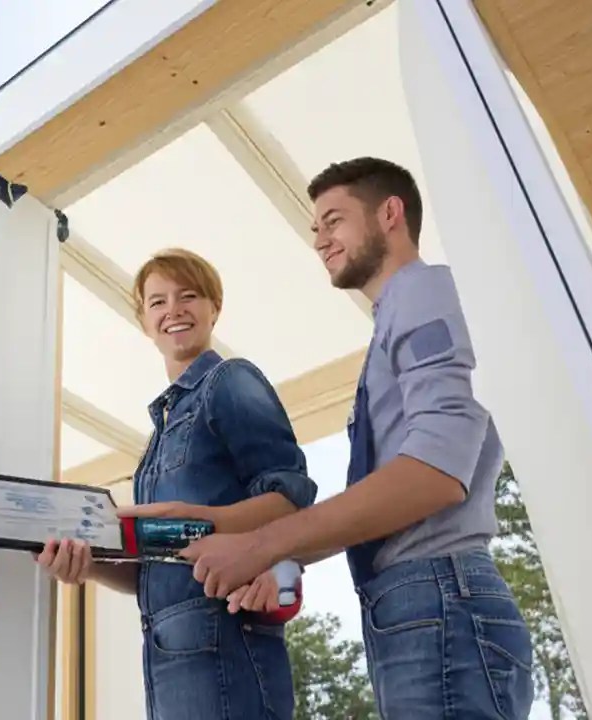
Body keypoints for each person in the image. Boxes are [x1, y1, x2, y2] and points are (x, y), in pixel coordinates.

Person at [178, 158, 536, 718]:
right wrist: (281, 560)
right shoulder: (394, 321)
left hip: (439, 596)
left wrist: (261, 543)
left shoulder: (422, 292)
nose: (319, 239)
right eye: (316, 228)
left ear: (390, 213)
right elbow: (390, 500)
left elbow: (436, 473)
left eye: (334, 220)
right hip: (414, 607)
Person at [34, 247, 318, 720]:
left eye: (188, 296)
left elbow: (290, 501)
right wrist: (88, 562)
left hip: (228, 643)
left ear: (214, 308)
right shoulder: (157, 438)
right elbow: (158, 565)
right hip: (167, 654)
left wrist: (182, 520)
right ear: (144, 321)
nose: (174, 310)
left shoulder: (232, 381)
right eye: (158, 302)